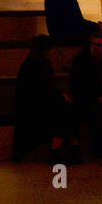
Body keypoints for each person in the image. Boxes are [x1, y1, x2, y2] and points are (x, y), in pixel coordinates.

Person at [13, 35, 81, 163]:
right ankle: (64, 147)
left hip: (40, 102)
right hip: (32, 106)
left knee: (68, 109)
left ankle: (64, 147)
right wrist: (61, 97)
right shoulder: (33, 66)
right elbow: (40, 92)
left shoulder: (38, 63)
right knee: (66, 110)